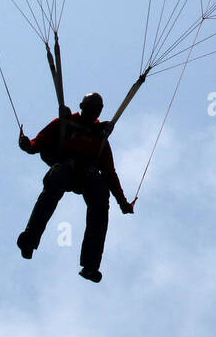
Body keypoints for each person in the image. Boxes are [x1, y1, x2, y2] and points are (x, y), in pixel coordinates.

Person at [16, 92, 134, 282]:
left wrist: (122, 202)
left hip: (87, 177)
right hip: (65, 169)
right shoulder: (64, 123)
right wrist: (26, 144)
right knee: (54, 186)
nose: (94, 111)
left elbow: (110, 174)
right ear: (81, 106)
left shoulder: (100, 137)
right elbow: (36, 145)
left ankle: (90, 265)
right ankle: (29, 239)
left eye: (97, 108)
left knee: (101, 201)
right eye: (90, 106)